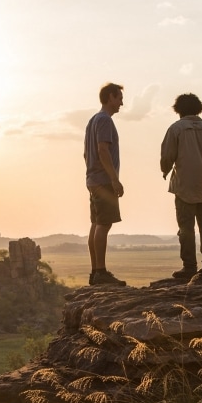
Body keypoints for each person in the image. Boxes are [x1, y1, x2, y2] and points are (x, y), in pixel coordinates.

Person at [160, 93, 202, 280]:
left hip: (184, 185)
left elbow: (167, 156)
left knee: (186, 228)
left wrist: (165, 170)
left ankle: (189, 267)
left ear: (178, 110)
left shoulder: (176, 129)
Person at [84, 82, 126, 286]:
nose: (121, 103)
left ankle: (95, 271)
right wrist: (114, 179)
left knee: (96, 223)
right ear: (110, 97)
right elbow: (103, 150)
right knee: (103, 223)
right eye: (119, 98)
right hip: (103, 180)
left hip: (93, 179)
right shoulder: (104, 121)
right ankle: (100, 271)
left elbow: (86, 153)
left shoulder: (93, 120)